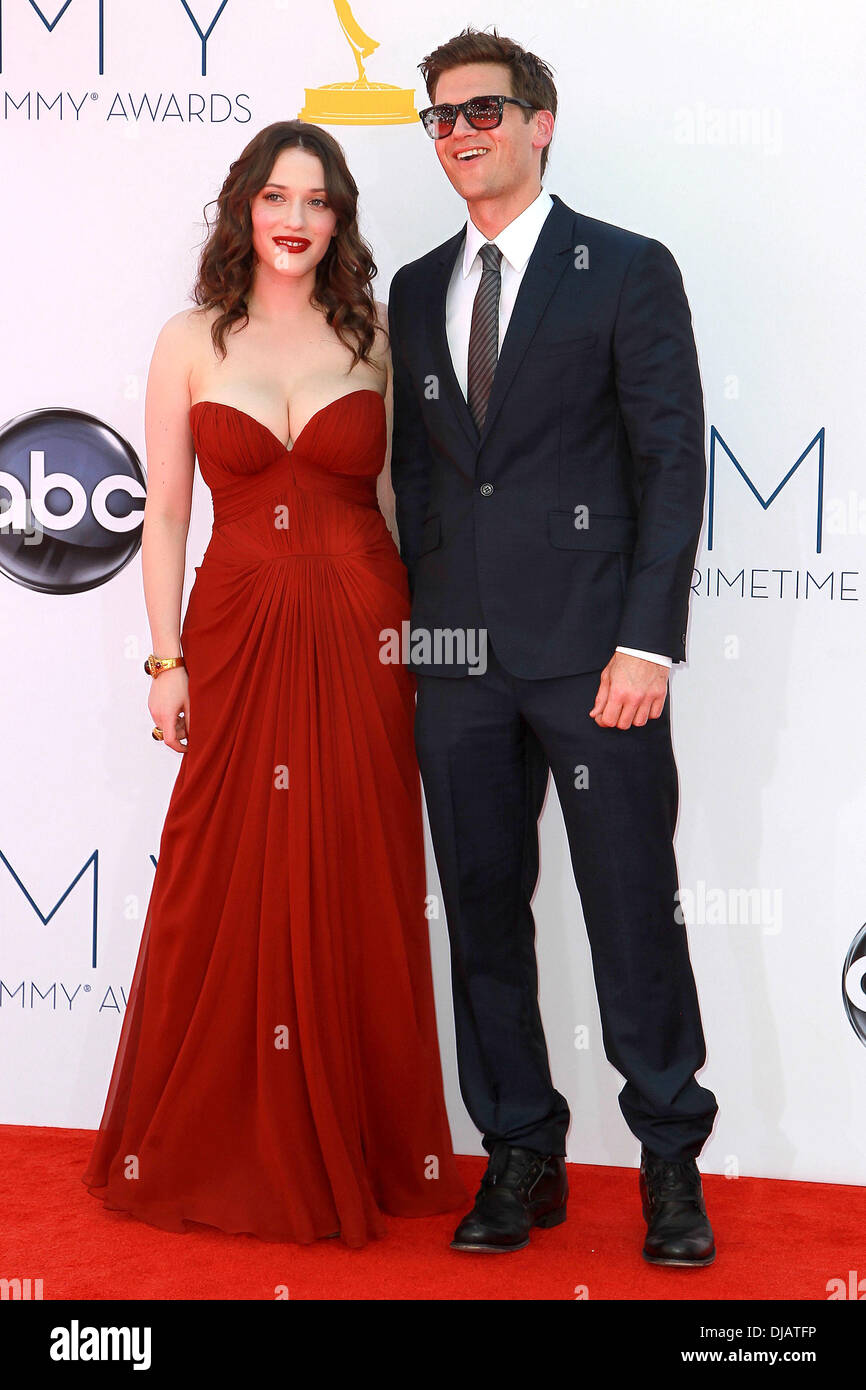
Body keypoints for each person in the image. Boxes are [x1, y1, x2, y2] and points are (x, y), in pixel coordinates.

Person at [81, 120, 468, 1248]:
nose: (295, 218)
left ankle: (366, 1137)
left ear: (339, 220)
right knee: (221, 866)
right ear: (243, 208)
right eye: (276, 196)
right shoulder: (190, 339)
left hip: (363, 631)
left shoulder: (379, 336)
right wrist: (165, 659)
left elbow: (403, 507)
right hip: (238, 631)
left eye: (318, 200)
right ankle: (215, 1135)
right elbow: (164, 515)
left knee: (359, 862)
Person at [388, 27, 718, 1262]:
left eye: (483, 108)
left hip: (597, 660)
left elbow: (669, 461)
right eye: (440, 117)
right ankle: (518, 1147)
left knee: (630, 906)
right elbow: (422, 474)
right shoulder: (418, 288)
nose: (459, 130)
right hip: (458, 658)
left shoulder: (625, 270)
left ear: (539, 122)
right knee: (478, 909)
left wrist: (647, 641)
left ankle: (668, 1158)